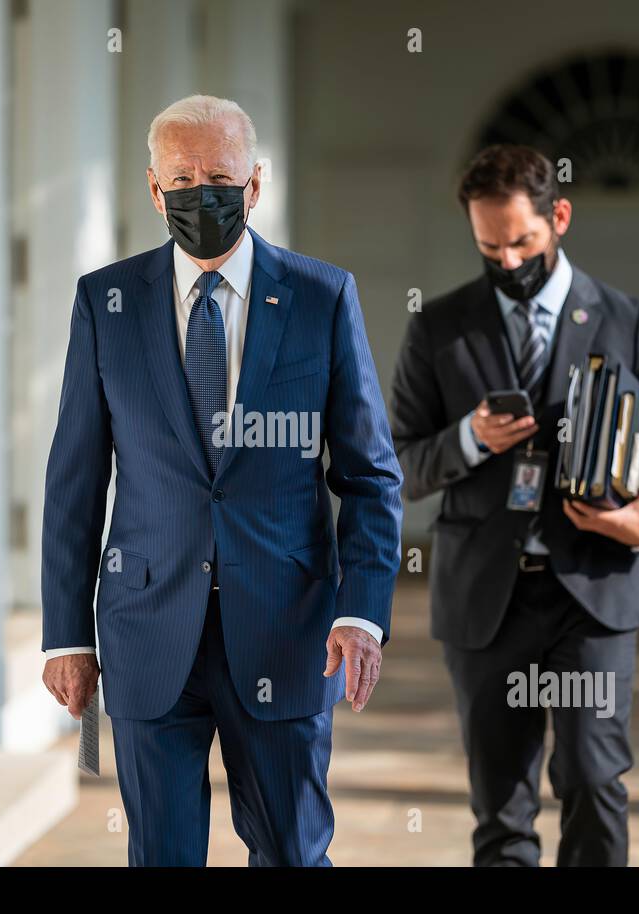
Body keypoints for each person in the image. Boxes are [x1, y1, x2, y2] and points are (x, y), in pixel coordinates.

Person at [39, 94, 403, 867]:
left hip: (286, 628)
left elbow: (370, 476)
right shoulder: (105, 303)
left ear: (256, 186)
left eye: (219, 177)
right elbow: (75, 481)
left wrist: (362, 615)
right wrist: (66, 634)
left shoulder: (321, 297)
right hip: (145, 631)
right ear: (152, 188)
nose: (200, 194)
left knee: (292, 854)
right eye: (181, 177)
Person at [389, 144, 639, 866]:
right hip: (484, 602)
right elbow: (396, 465)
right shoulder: (438, 328)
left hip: (595, 591)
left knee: (594, 780)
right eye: (488, 246)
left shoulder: (627, 320)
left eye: (521, 241)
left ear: (558, 217)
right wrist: (469, 438)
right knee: (501, 807)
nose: (506, 261)